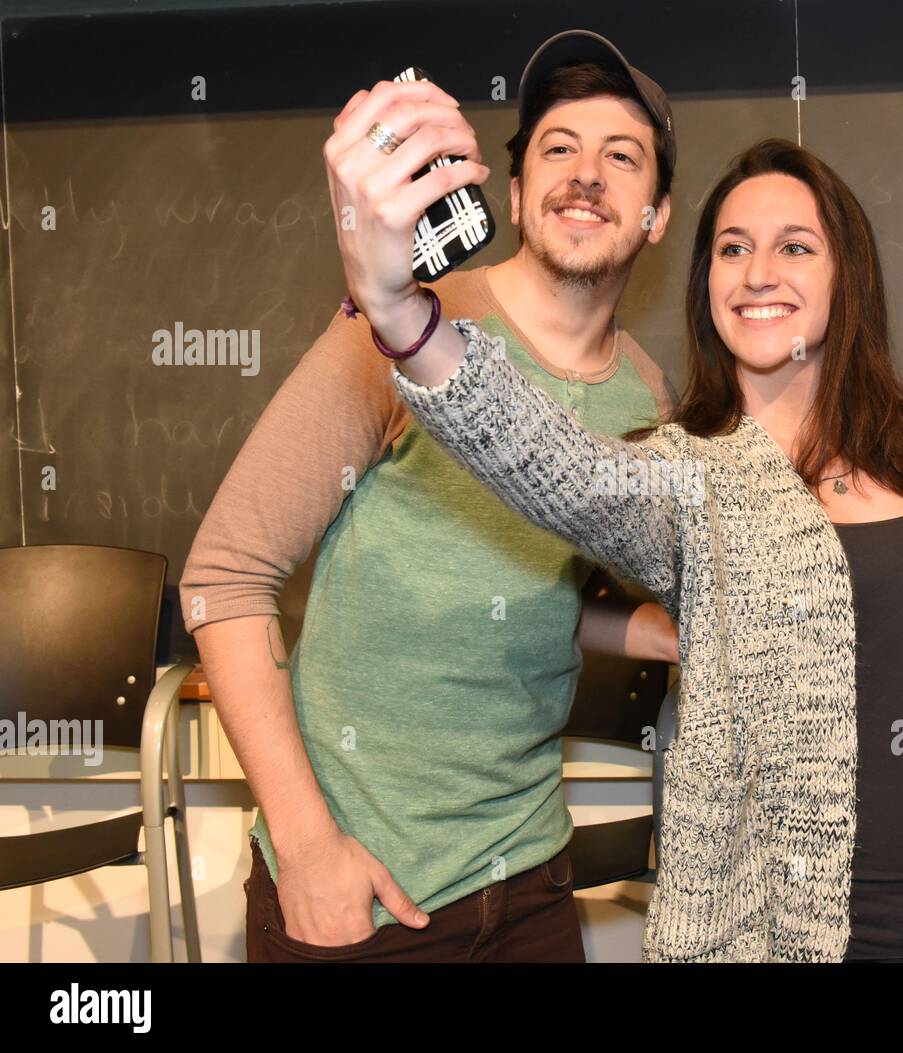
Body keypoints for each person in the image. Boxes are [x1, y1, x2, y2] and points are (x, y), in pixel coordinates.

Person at [338, 104, 903, 960]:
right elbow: (550, 463)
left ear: (845, 273)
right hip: (787, 929)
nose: (757, 272)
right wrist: (403, 314)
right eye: (733, 248)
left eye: (794, 246)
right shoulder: (686, 472)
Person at [178, 30, 680, 963]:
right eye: (557, 148)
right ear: (517, 190)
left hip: (530, 879)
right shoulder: (401, 324)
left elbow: (526, 594)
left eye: (623, 156)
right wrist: (307, 846)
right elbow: (224, 575)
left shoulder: (645, 399)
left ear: (656, 215)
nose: (586, 173)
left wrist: (641, 630)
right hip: (362, 887)